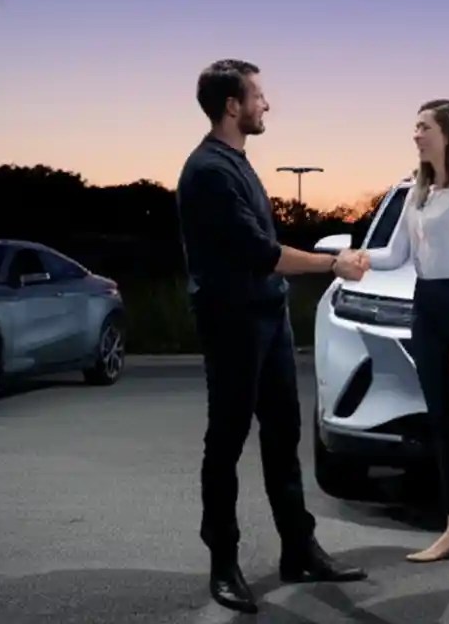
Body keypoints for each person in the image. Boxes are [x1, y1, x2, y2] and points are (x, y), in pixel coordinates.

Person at [176, 59, 369, 615]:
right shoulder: (209, 171)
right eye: (258, 96)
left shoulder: (236, 162)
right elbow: (262, 253)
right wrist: (333, 264)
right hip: (232, 322)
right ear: (232, 106)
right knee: (228, 440)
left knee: (282, 436)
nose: (266, 105)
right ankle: (224, 561)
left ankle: (299, 549)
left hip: (267, 317)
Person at [360, 99, 449, 582]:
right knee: (440, 425)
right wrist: (353, 260)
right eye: (415, 126)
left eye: (424, 127)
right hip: (425, 310)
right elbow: (396, 254)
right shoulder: (418, 189)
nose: (415, 134)